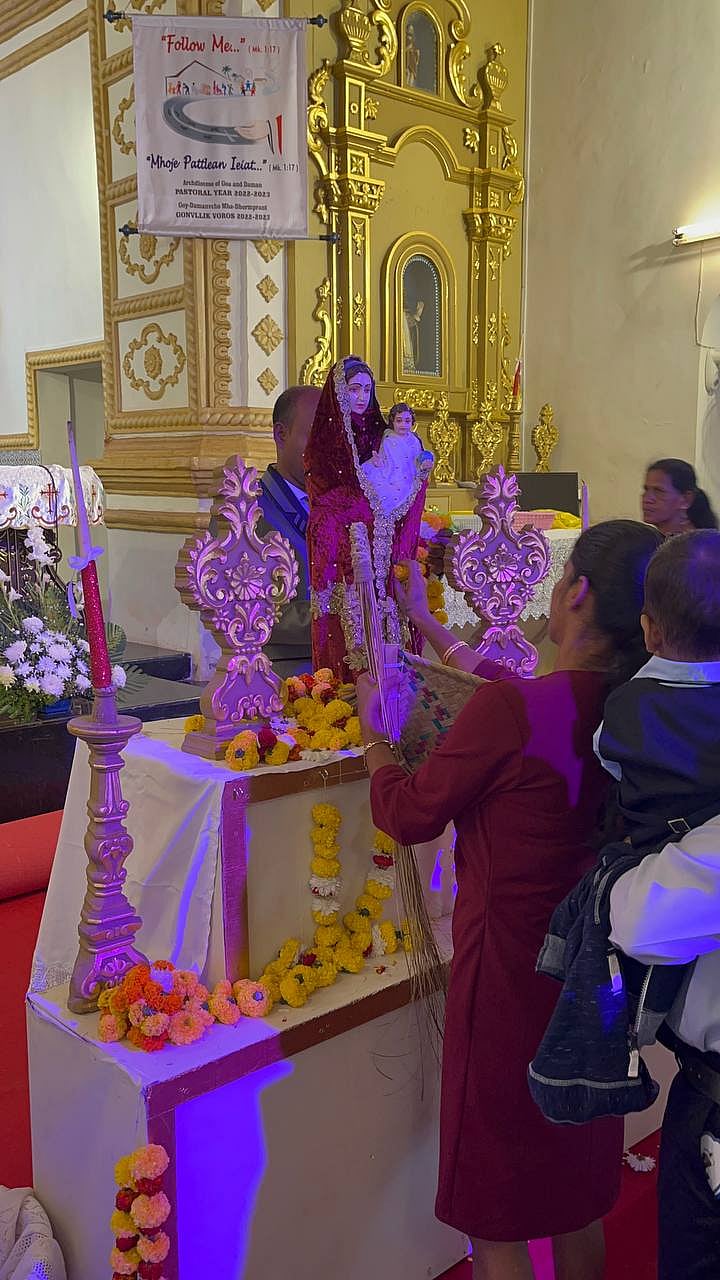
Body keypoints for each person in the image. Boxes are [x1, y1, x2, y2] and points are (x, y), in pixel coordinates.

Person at [357, 519, 663, 1280]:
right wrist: (427, 622)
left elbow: (408, 814)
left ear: (577, 592)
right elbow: (520, 696)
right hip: (594, 982)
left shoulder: (514, 715)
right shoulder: (632, 711)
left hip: (507, 986)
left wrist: (377, 746)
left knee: (495, 1212)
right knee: (576, 1193)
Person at [304, 357, 428, 680]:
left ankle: (392, 695)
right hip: (348, 543)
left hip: (382, 543)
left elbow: (400, 469)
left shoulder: (380, 432)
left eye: (367, 390)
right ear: (339, 392)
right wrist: (361, 507)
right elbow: (324, 496)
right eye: (354, 389)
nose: (361, 397)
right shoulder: (325, 441)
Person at [257, 385, 320, 678]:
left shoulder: (349, 505)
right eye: (316, 437)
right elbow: (249, 612)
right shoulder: (248, 511)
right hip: (282, 675)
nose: (328, 453)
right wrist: (343, 615)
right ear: (281, 434)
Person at [360, 402, 434, 516]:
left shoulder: (415, 440)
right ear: (392, 421)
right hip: (390, 477)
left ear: (412, 422)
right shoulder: (388, 439)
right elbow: (384, 459)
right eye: (399, 421)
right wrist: (378, 463)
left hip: (410, 477)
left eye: (407, 421)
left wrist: (424, 464)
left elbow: (420, 457)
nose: (403, 425)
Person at [642, 457, 718, 536]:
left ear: (686, 499)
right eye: (646, 489)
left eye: (659, 491)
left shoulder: (699, 545)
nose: (647, 499)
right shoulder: (649, 541)